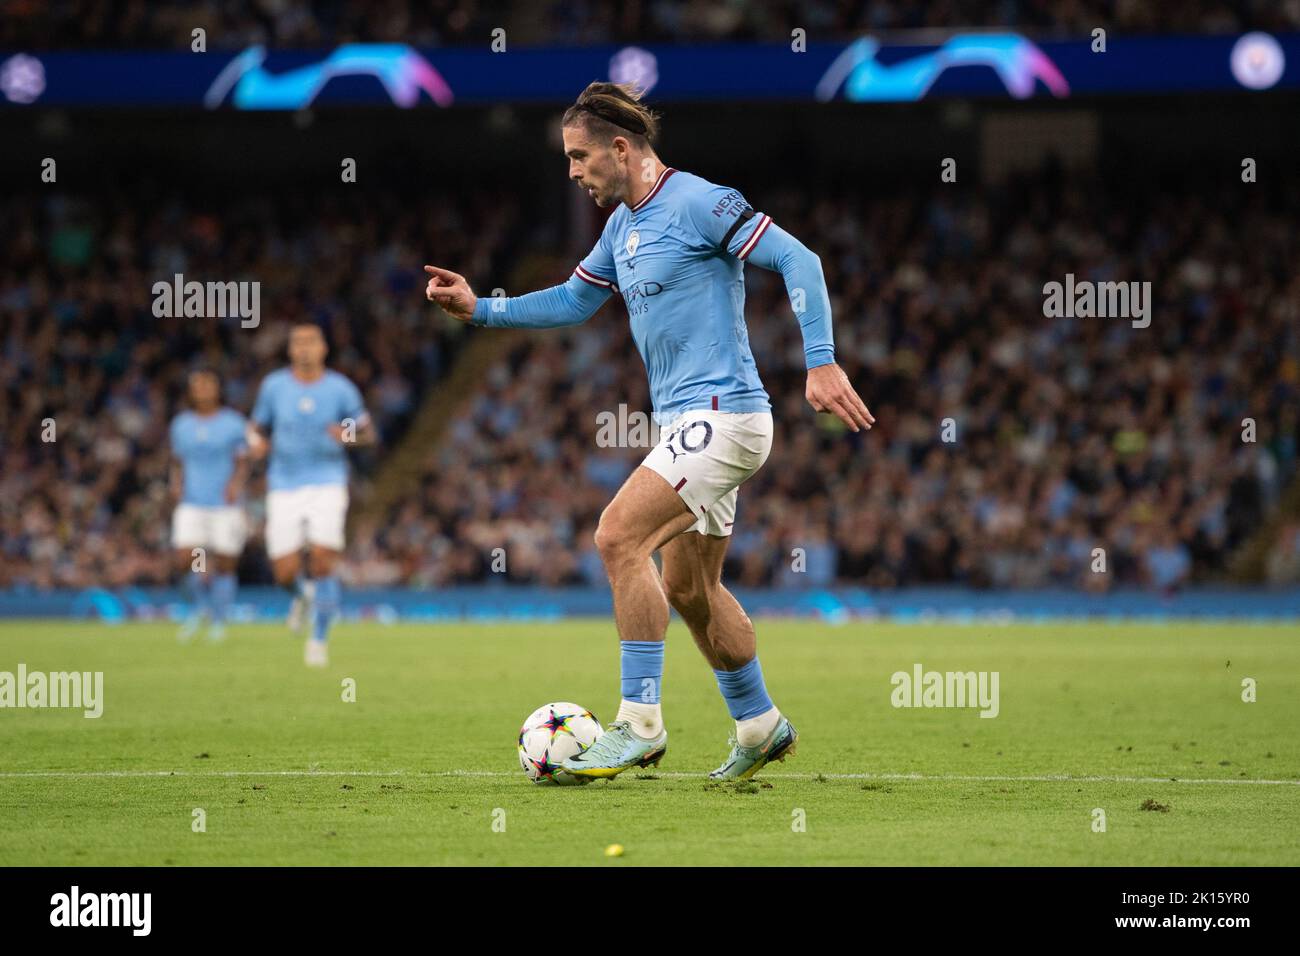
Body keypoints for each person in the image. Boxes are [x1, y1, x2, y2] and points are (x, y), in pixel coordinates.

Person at [424, 82, 873, 780]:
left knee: (617, 536)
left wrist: (820, 363)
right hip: (685, 424)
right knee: (691, 590)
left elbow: (799, 259)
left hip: (724, 415)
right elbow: (574, 301)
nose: (573, 172)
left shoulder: (696, 200)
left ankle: (639, 723)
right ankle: (759, 724)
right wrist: (480, 308)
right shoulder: (621, 226)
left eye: (579, 157)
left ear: (622, 148)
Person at [248, 324, 375, 667]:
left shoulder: (340, 388)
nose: (304, 348)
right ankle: (301, 597)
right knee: (284, 573)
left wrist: (346, 435)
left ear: (323, 348)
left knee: (322, 559)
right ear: (290, 350)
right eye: (298, 343)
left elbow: (366, 432)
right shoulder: (274, 386)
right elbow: (256, 427)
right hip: (284, 484)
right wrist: (255, 443)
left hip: (327, 481)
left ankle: (318, 640)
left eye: (311, 342)